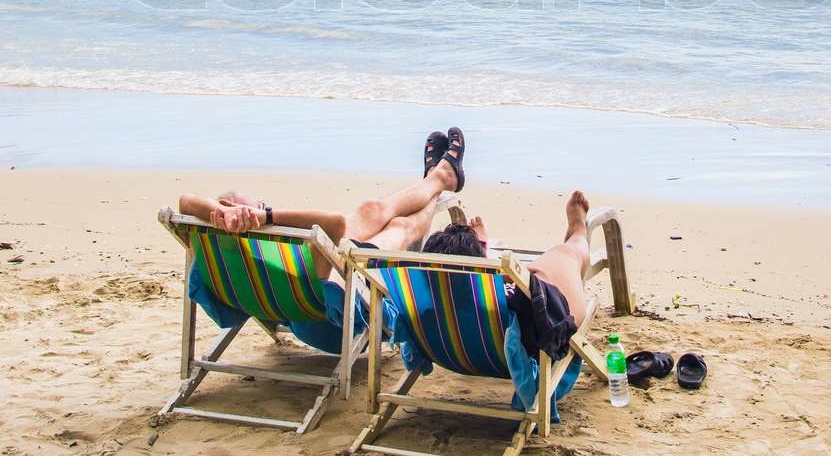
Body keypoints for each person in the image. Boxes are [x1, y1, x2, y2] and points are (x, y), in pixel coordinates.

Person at [177, 126, 465, 279]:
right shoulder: (268, 250)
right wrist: (265, 216)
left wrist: (220, 212)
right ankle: (438, 180)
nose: (258, 208)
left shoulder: (223, 257)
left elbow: (186, 201)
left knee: (372, 210)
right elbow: (335, 224)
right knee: (401, 225)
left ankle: (436, 178)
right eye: (259, 204)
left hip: (333, 263)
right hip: (348, 281)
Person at [424, 186, 592, 330]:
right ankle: (578, 231)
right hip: (543, 331)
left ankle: (481, 254)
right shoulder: (496, 306)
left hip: (463, 346)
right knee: (566, 254)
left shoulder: (425, 317)